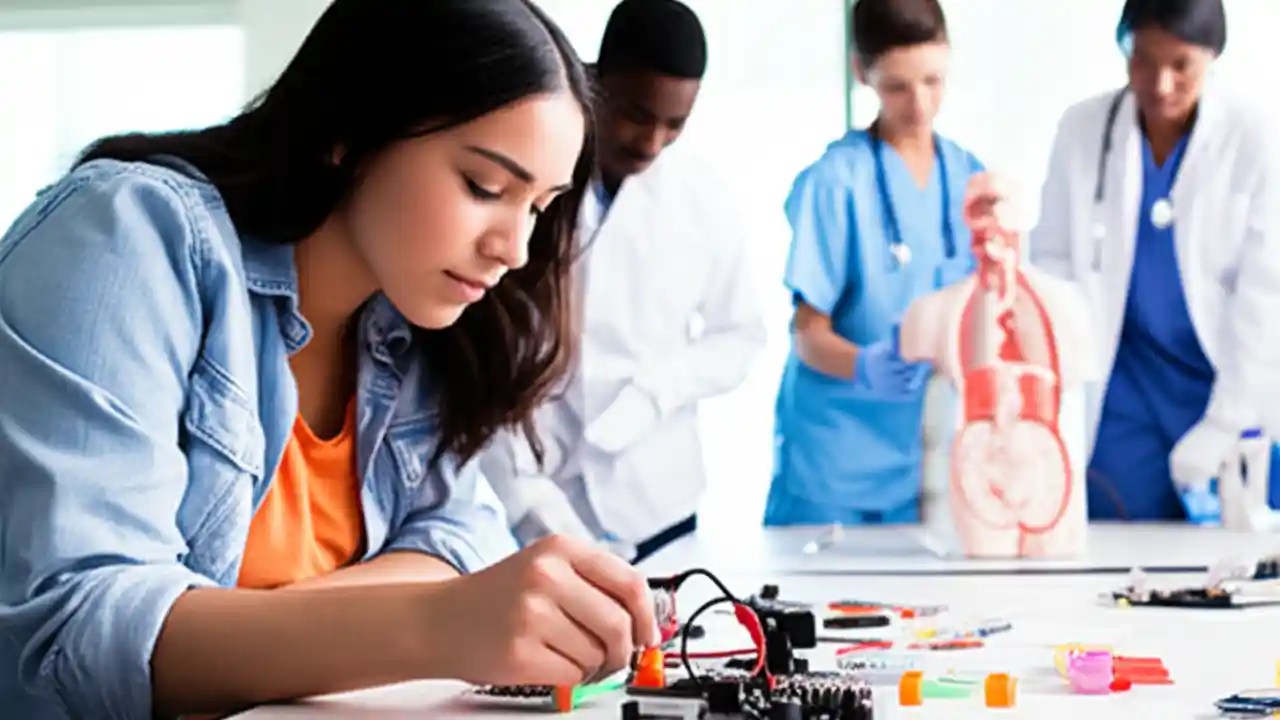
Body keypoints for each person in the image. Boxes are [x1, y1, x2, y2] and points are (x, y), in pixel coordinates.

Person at [0, 2, 661, 719]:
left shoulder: (416, 321)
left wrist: (221, 630)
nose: (516, 248)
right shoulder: (128, 236)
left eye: (538, 206)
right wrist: (432, 623)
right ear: (350, 133)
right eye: (485, 188)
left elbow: (461, 538)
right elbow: (74, 638)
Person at [480, 0, 765, 563]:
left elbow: (740, 337)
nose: (653, 142)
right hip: (544, 497)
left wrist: (654, 392)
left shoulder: (702, 198)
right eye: (637, 114)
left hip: (659, 502)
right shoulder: (532, 185)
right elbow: (488, 349)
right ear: (595, 81)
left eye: (675, 124)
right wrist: (526, 499)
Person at [1029, 0, 1280, 520]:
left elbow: (1265, 292)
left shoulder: (1254, 137)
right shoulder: (1082, 130)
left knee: (1239, 565)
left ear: (1213, 57)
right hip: (1124, 397)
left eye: (1181, 65)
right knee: (1112, 561)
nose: (1160, 83)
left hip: (1226, 382)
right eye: (1142, 59)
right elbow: (1051, 262)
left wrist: (1226, 421)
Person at [764, 0, 984, 527]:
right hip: (832, 463)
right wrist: (865, 366)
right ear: (861, 73)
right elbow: (807, 334)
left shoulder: (969, 176)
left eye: (933, 80)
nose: (919, 105)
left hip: (922, 457)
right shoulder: (835, 181)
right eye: (897, 86)